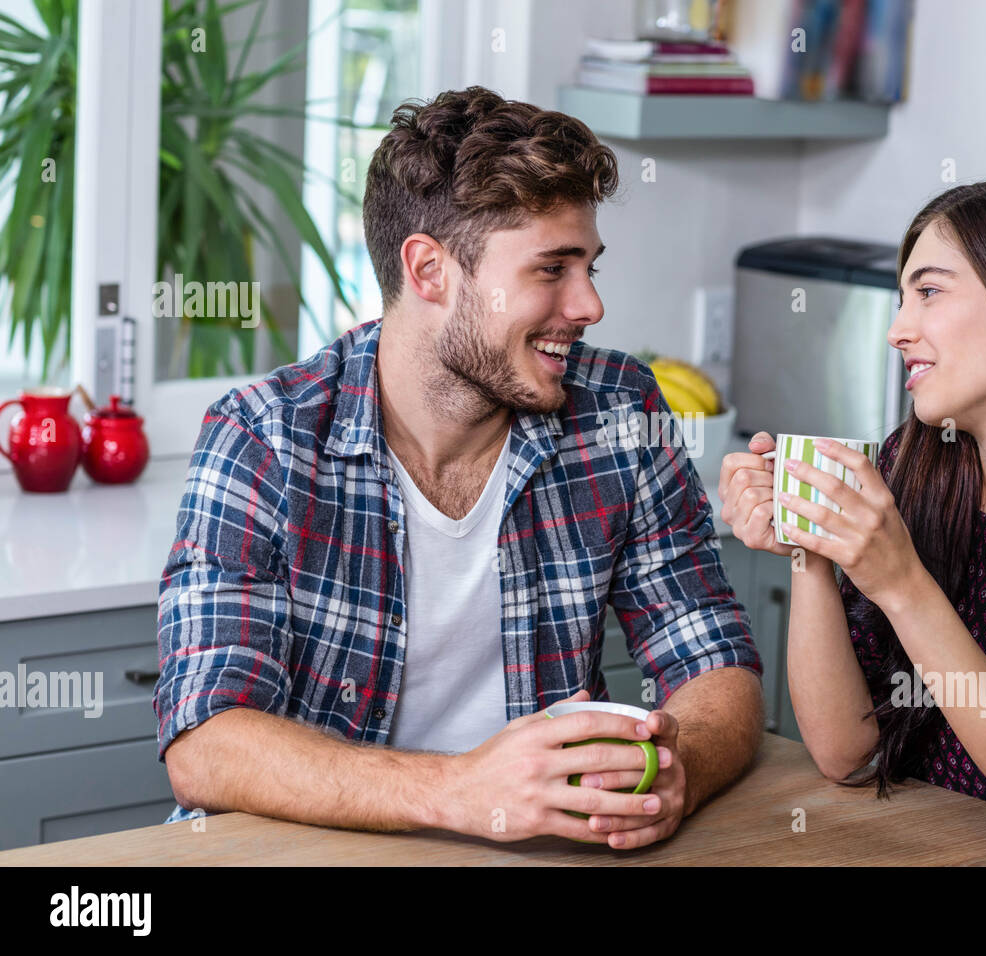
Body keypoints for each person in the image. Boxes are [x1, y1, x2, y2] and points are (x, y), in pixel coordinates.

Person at [154, 86, 764, 850]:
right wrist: (462, 791)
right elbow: (206, 745)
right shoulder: (264, 440)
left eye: (590, 267)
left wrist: (685, 768)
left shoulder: (619, 409)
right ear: (431, 270)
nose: (589, 306)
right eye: (552, 269)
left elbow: (713, 657)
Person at [719, 174, 986, 843]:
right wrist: (811, 552)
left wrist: (902, 585)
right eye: (902, 298)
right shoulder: (914, 465)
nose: (897, 331)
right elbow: (843, 752)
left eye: (930, 293)